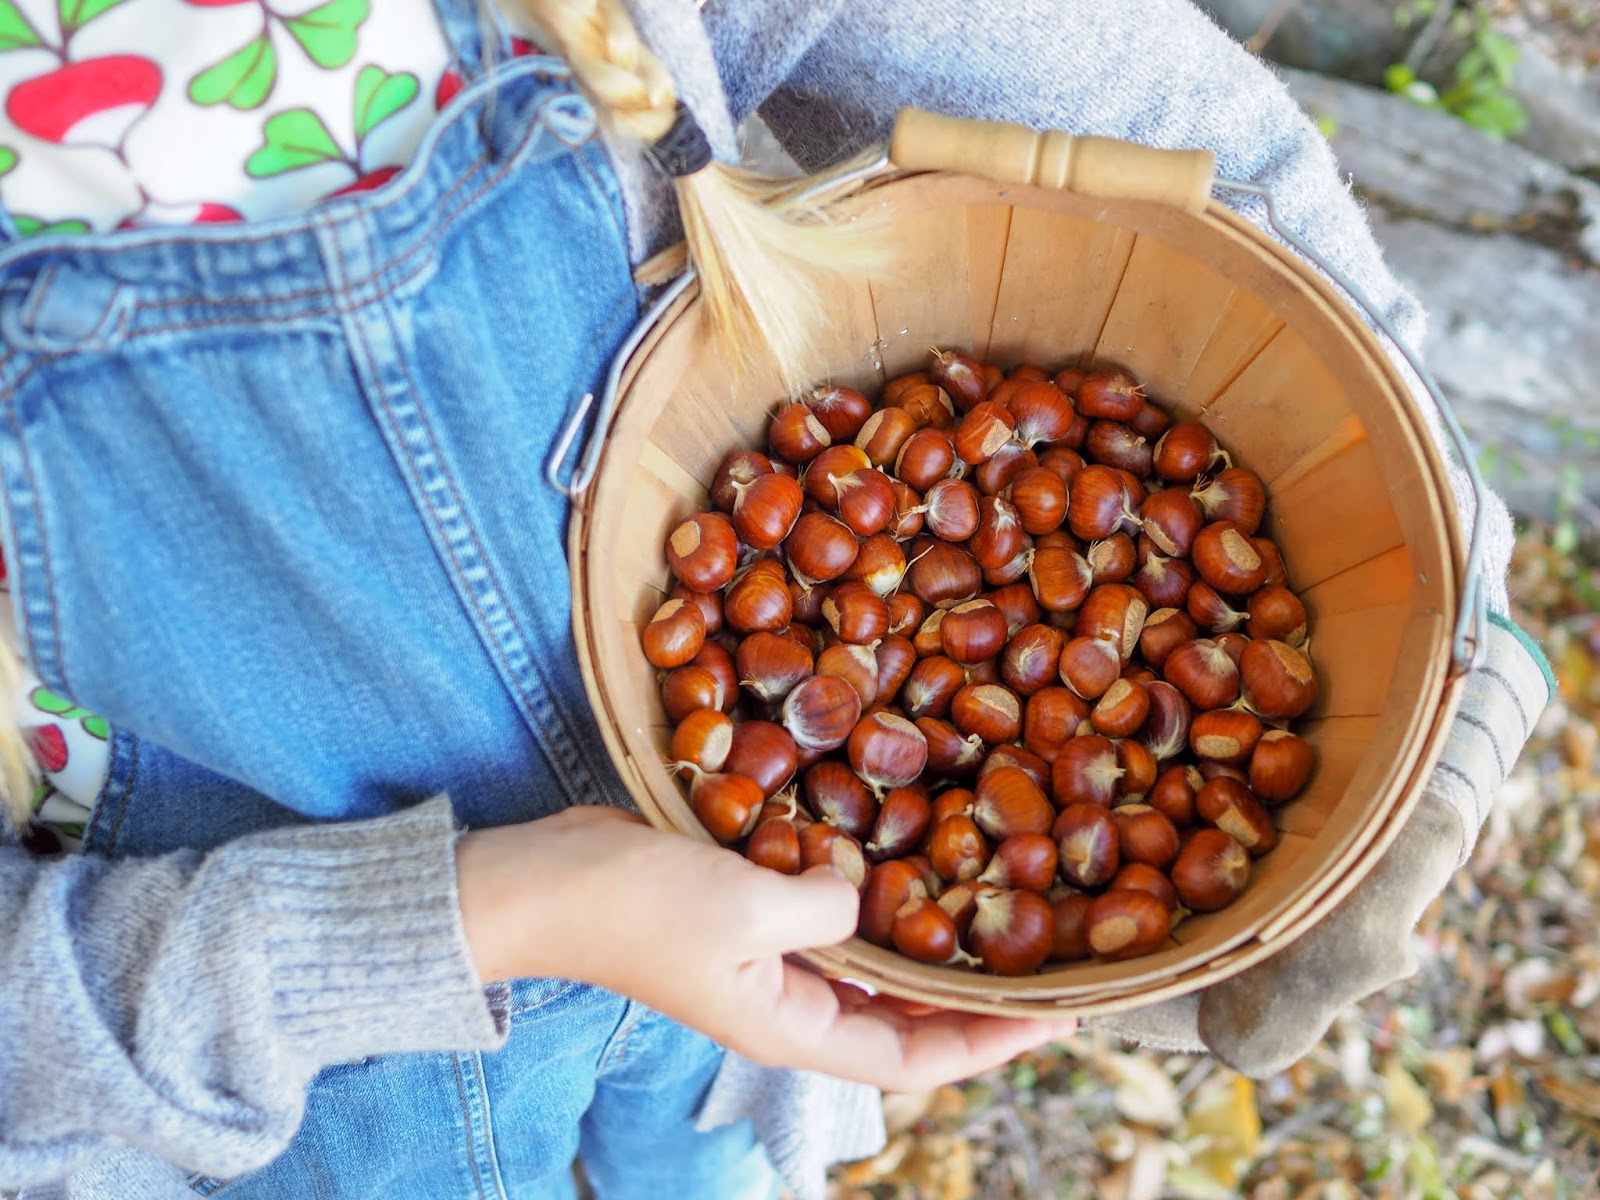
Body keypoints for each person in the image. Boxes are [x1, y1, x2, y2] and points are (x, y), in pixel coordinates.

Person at [0, 1, 1552, 1199]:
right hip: (302, 1018)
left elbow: (1126, 101)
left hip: (771, 924)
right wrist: (495, 913)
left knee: (710, 1154)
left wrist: (1450, 582)